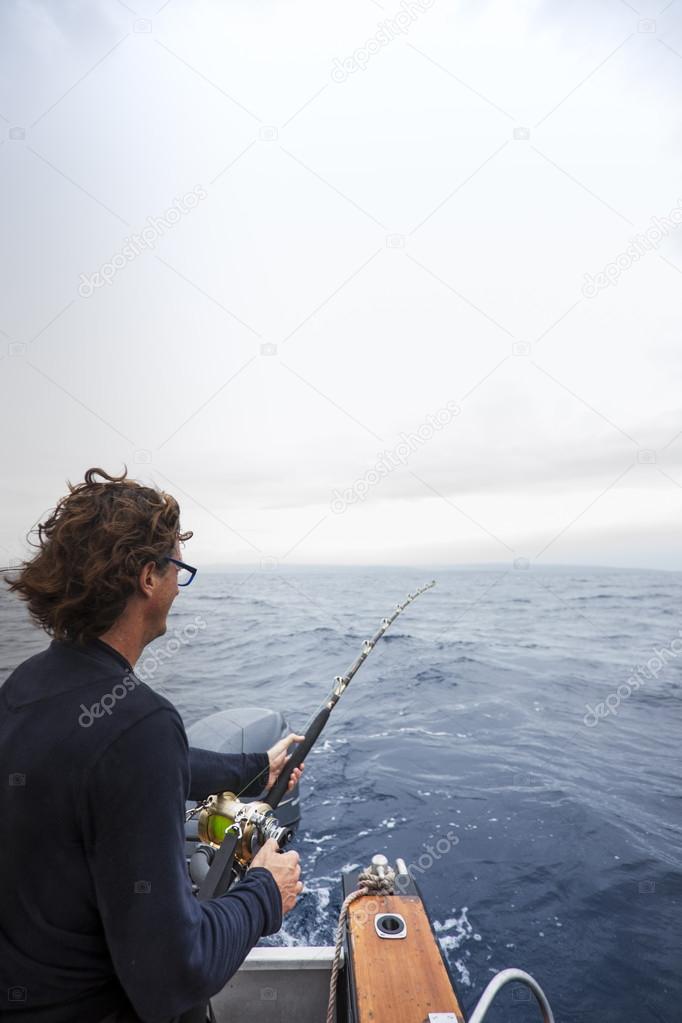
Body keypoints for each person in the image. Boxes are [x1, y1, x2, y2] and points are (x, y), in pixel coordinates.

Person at [0, 467, 304, 1023]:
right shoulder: (141, 723)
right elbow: (174, 973)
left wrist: (257, 767)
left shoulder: (23, 689)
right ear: (148, 577)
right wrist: (266, 890)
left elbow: (126, 763)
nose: (176, 588)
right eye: (176, 571)